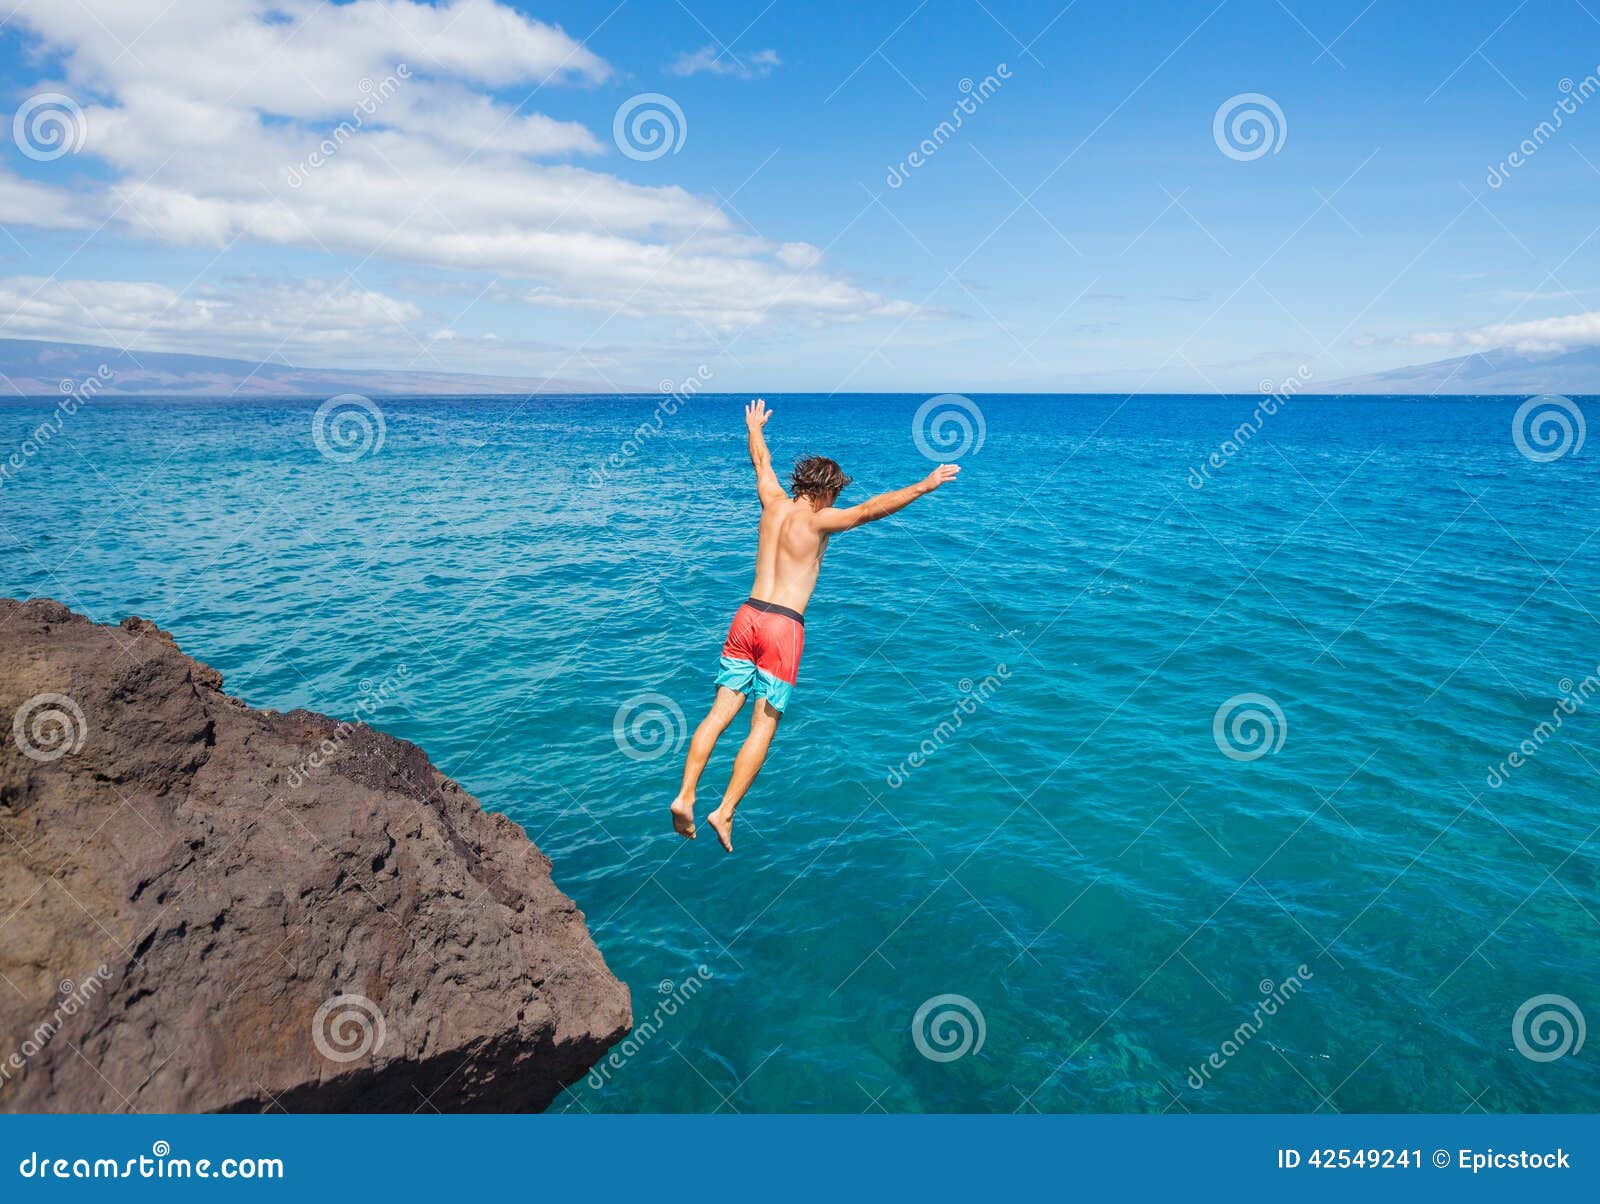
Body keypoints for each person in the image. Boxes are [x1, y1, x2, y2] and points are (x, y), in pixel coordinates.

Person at [669, 398, 960, 851]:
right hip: (783, 626)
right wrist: (924, 485)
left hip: (747, 615)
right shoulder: (821, 521)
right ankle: (723, 811)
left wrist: (755, 428)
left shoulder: (772, 503)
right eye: (836, 495)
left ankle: (685, 795)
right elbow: (871, 509)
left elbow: (762, 463)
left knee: (718, 714)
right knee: (762, 726)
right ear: (826, 492)